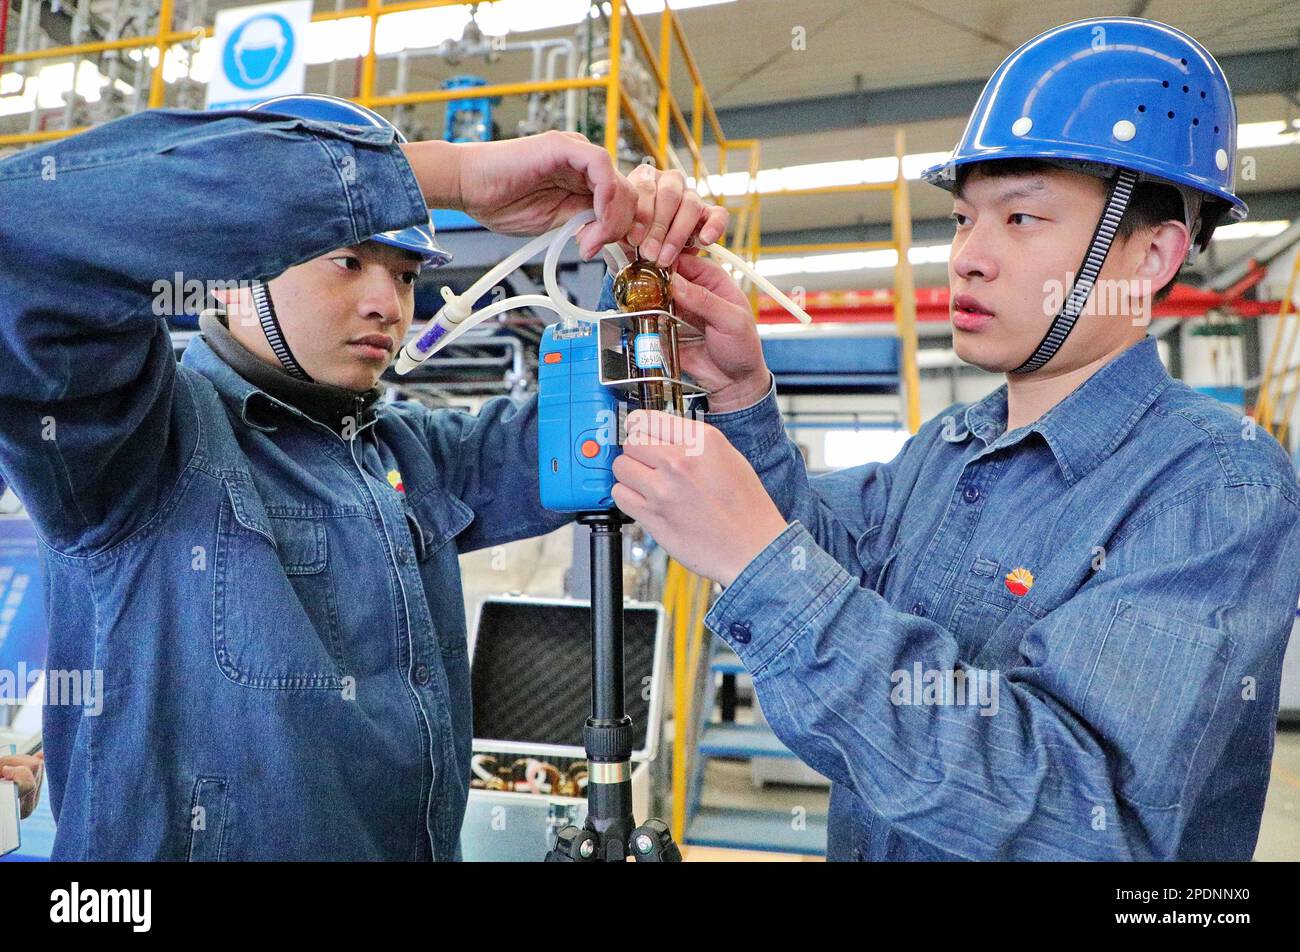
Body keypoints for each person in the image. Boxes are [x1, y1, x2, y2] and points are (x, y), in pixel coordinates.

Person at [608, 17, 1300, 859]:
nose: (967, 257)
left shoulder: (1214, 483)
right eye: (963, 220)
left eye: (1020, 219)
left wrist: (759, 565)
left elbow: (1085, 817)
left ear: (1151, 256)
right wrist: (740, 397)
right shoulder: (949, 447)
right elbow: (818, 557)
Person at [0, 94, 726, 860]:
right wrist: (446, 172)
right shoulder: (131, 445)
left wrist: (646, 273)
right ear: (226, 280)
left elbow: (613, 426)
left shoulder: (405, 457)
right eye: (347, 259)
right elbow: (21, 236)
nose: (388, 304)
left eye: (407, 275)